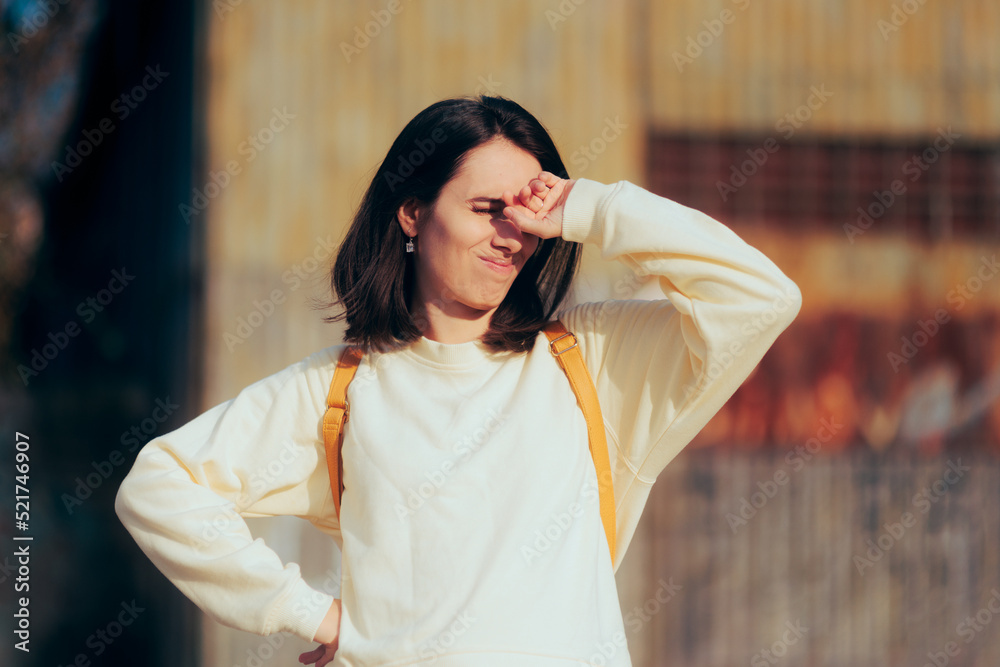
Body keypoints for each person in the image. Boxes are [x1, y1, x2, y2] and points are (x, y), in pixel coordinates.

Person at [115, 95, 801, 666]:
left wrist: (588, 208)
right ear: (413, 212)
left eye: (529, 212)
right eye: (486, 208)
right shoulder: (339, 390)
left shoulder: (591, 360)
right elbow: (159, 486)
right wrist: (315, 615)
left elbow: (760, 298)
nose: (514, 234)